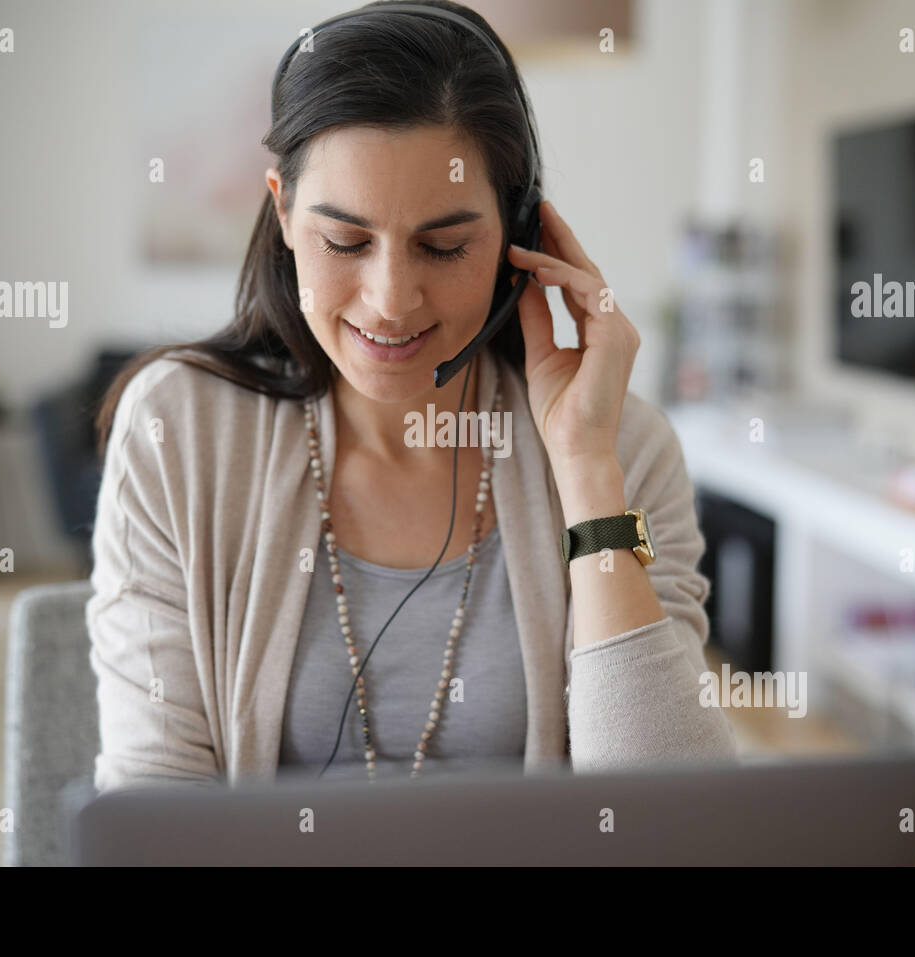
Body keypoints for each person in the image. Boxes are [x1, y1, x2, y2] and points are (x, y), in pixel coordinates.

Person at [86, 0, 736, 792]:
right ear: (284, 212)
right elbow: (155, 819)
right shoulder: (178, 430)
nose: (391, 299)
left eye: (444, 244)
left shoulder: (619, 447)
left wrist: (587, 470)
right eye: (346, 241)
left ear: (517, 234)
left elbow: (667, 823)